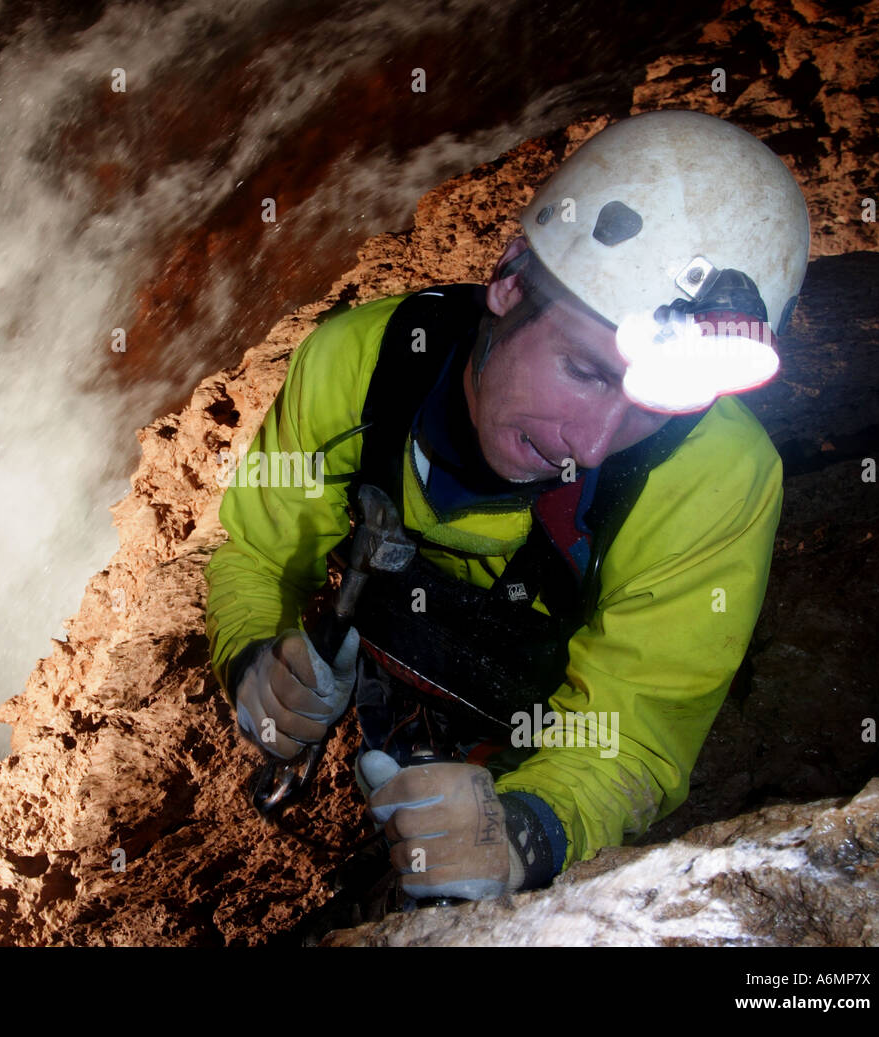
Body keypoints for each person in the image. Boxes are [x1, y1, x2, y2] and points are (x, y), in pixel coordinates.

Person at [204, 109, 810, 902]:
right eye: (588, 371)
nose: (593, 445)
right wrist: (253, 652)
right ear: (511, 279)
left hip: (551, 700)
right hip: (397, 638)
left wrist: (533, 825)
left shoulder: (717, 475)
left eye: (655, 404)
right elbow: (257, 550)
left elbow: (636, 729)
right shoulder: (360, 366)